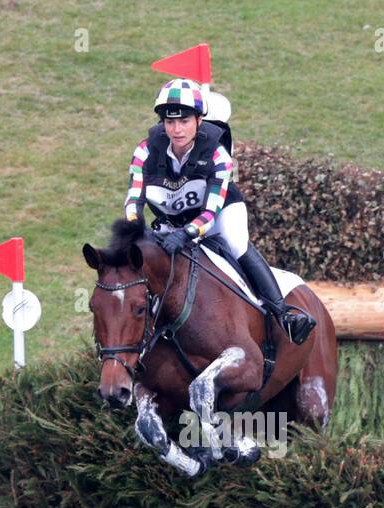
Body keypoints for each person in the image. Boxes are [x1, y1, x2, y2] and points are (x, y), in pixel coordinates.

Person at [123, 78, 315, 345]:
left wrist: (187, 234)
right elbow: (134, 198)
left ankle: (284, 315)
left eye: (185, 121)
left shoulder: (218, 155)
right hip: (169, 221)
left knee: (236, 244)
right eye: (170, 122)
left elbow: (211, 210)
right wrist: (135, 228)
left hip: (217, 215)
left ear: (199, 121)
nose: (177, 130)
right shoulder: (144, 152)